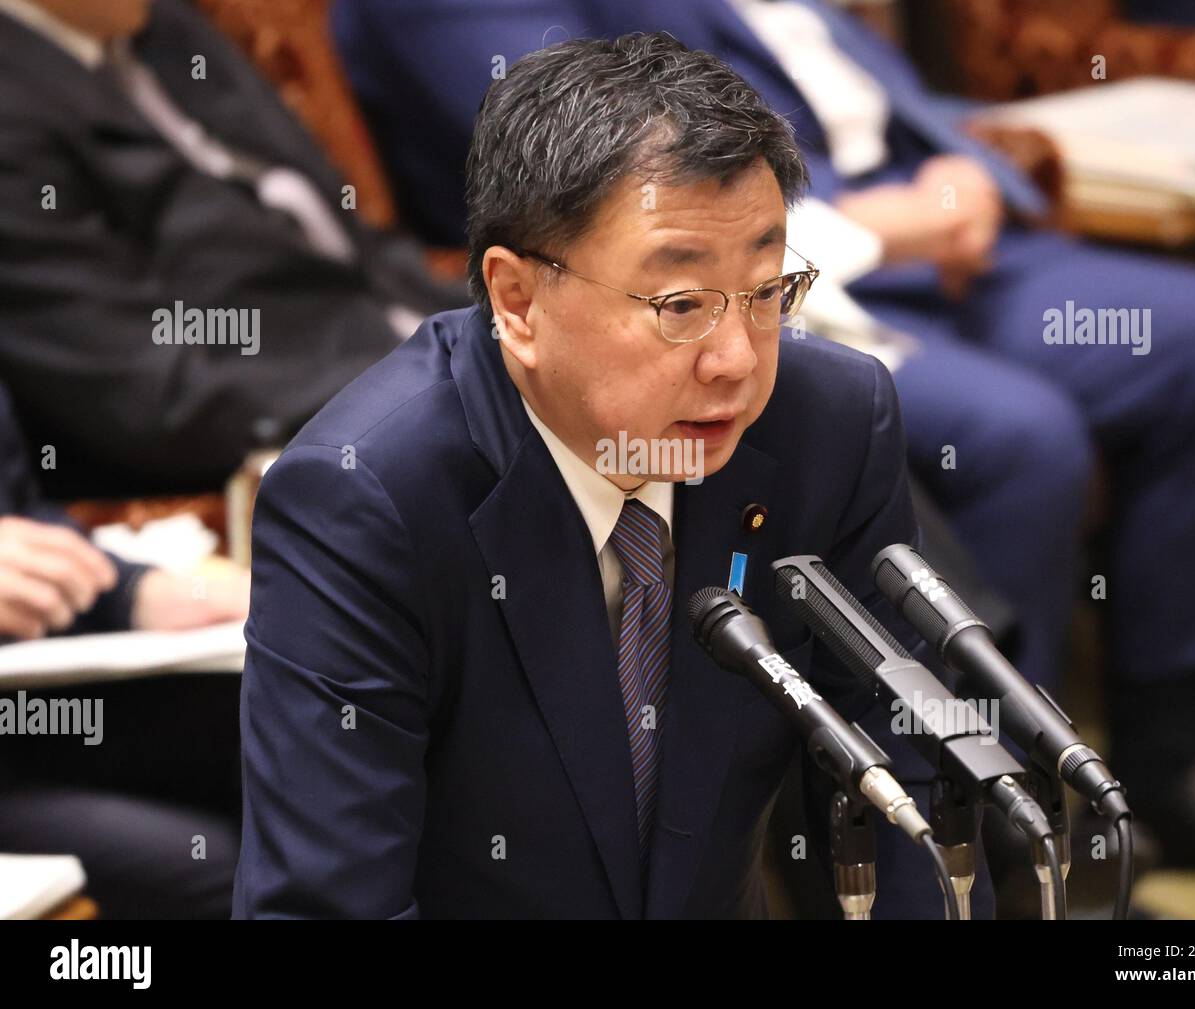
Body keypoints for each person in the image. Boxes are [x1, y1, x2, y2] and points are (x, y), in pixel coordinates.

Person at [334, 0, 1195, 878]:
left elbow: (863, 99)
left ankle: (1152, 764)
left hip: (886, 242)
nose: (733, 370)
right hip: (816, 264)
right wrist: (860, 239)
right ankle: (1005, 829)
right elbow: (591, 193)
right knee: (1020, 440)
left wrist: (965, 167)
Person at [233, 32, 983, 919]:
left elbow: (905, 766)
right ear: (517, 300)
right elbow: (325, 906)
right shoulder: (367, 498)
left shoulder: (832, 424)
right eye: (681, 306)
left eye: (767, 288)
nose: (736, 360)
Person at [0, 0, 467, 499]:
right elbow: (155, 396)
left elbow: (352, 235)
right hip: (278, 449)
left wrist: (480, 330)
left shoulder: (163, 25)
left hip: (406, 344)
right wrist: (430, 386)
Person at [0, 381, 248, 918]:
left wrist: (136, 591)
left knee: (281, 726)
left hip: (29, 708)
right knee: (226, 868)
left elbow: (18, 512)